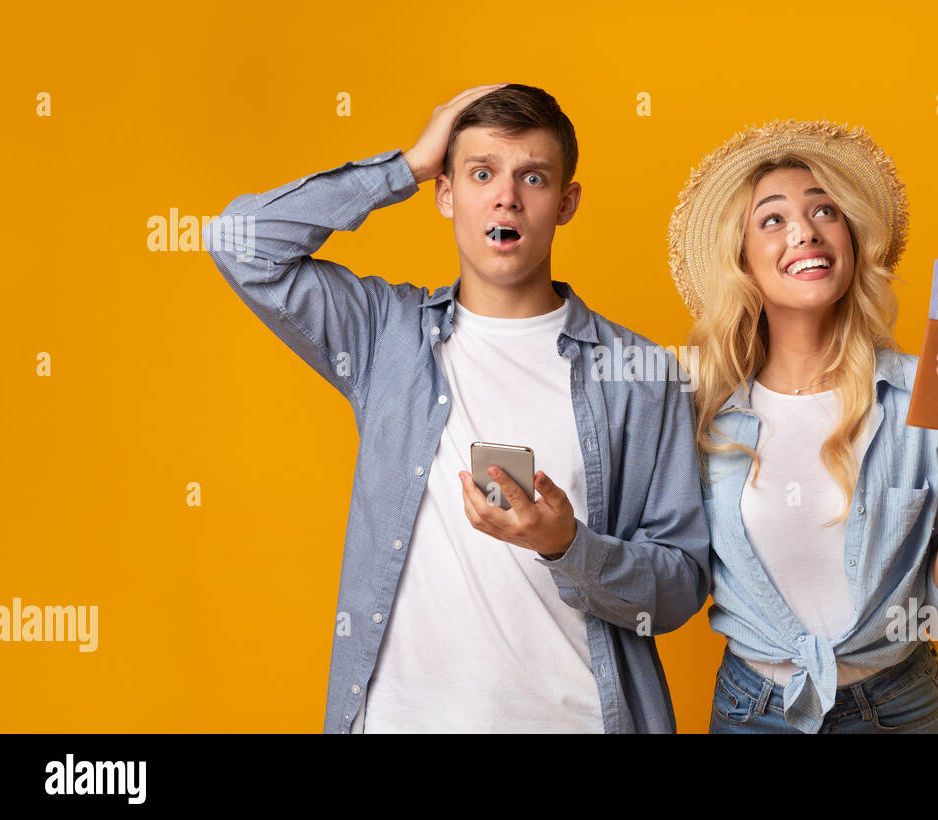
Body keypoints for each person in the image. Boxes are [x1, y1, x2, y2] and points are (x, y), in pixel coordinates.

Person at [204, 83, 710, 733]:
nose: (506, 196)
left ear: (565, 203)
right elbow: (238, 241)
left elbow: (678, 587)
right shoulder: (384, 336)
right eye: (480, 173)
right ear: (446, 195)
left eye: (533, 176)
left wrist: (568, 546)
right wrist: (406, 166)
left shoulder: (640, 377)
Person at [668, 119, 938, 734]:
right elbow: (670, 572)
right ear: (743, 261)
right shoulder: (704, 412)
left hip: (899, 707)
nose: (805, 230)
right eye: (773, 219)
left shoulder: (921, 395)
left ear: (849, 242)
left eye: (824, 211)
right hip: (752, 712)